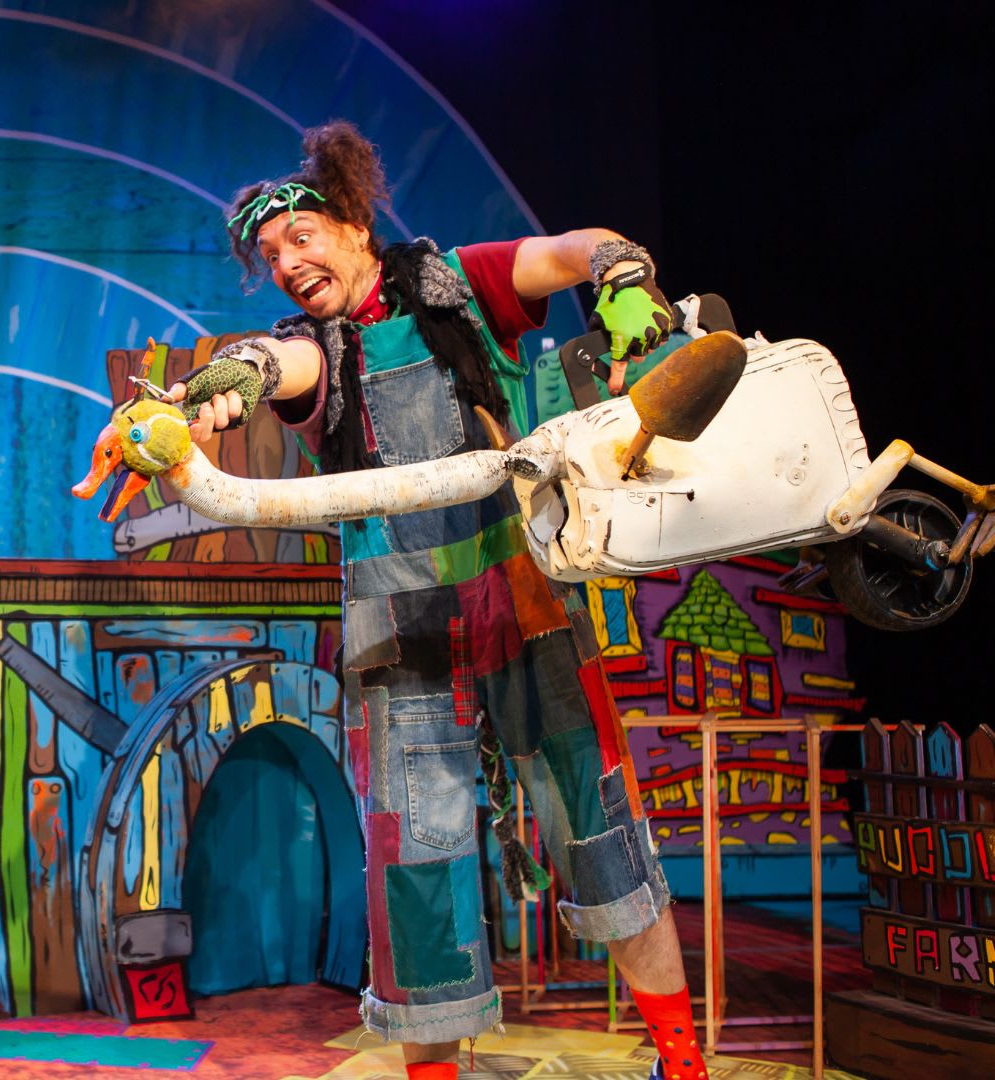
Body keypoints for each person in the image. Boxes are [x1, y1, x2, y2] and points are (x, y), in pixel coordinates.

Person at [171, 123, 704, 1080]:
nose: (286, 265)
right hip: (398, 624)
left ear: (353, 223)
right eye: (270, 256)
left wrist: (621, 271)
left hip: (523, 596)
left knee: (602, 826)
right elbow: (278, 365)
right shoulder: (313, 347)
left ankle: (682, 1059)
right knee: (417, 865)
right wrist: (233, 378)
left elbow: (572, 249)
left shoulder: (461, 283)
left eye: (300, 239)